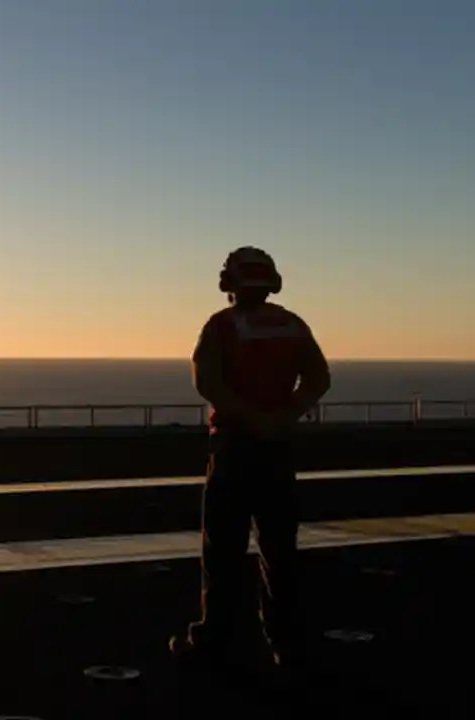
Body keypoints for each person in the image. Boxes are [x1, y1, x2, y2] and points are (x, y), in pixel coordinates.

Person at [171, 246, 331, 676]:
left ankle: (213, 642)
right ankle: (287, 645)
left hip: (234, 447)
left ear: (230, 284)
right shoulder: (293, 325)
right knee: (279, 549)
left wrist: (248, 417)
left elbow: (206, 381)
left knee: (222, 549)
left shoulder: (222, 325)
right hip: (279, 448)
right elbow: (319, 379)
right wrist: (283, 415)